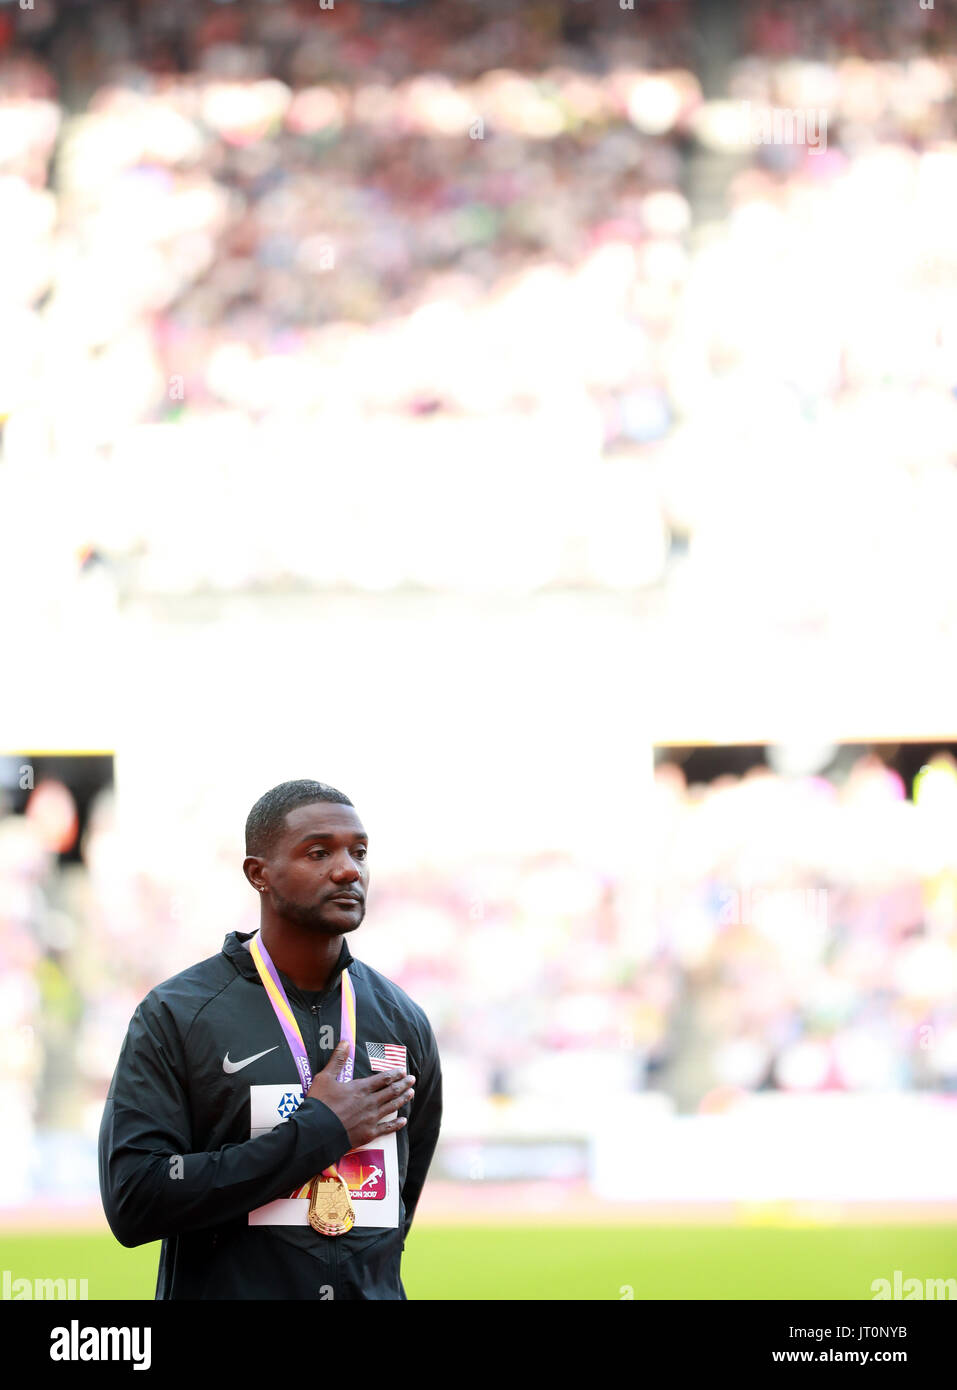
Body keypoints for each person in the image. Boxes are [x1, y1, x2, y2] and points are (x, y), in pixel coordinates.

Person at [98, 779, 443, 1300]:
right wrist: (320, 1131)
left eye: (359, 852)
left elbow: (399, 1205)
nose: (349, 870)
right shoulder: (178, 1014)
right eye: (319, 852)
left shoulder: (402, 1019)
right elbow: (135, 1199)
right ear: (258, 873)